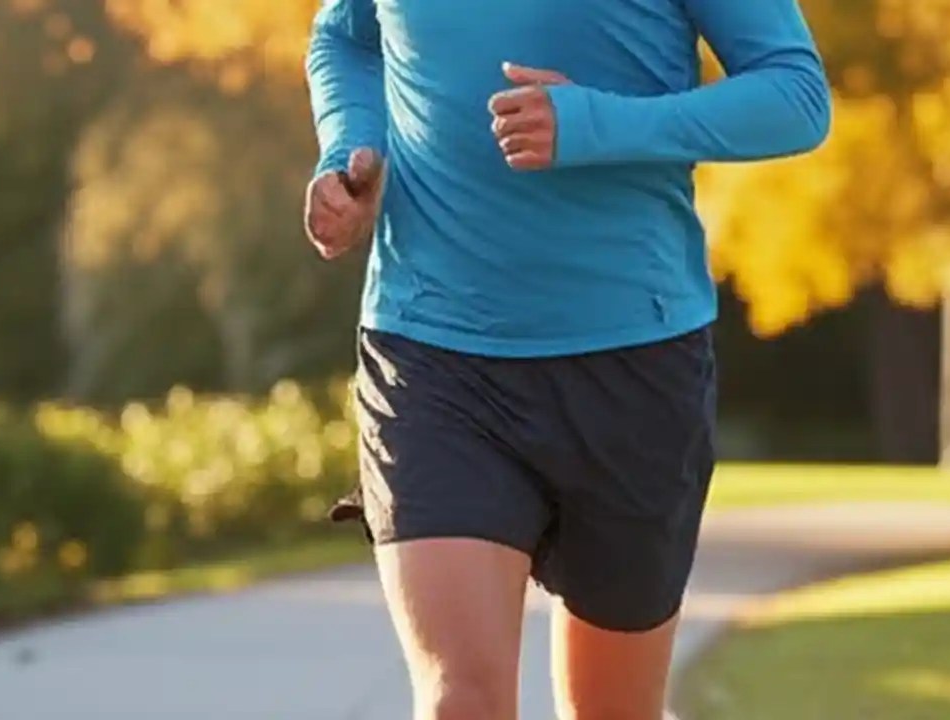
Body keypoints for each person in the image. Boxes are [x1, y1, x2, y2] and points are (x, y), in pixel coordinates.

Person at [303, 0, 830, 717]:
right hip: (433, 349)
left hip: (631, 360)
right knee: (462, 700)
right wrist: (351, 149)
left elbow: (795, 96)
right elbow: (346, 39)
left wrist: (596, 123)